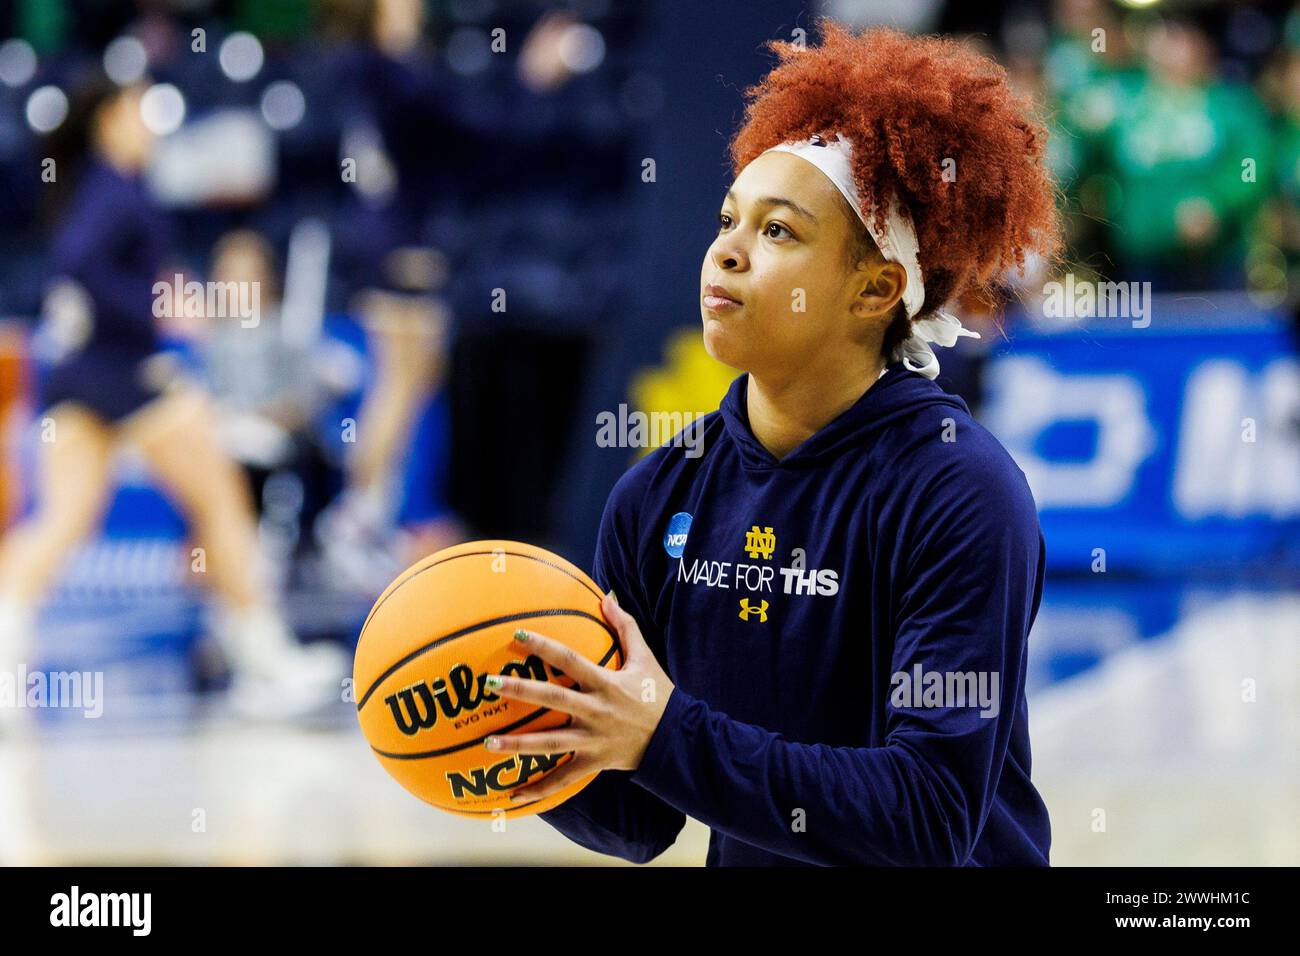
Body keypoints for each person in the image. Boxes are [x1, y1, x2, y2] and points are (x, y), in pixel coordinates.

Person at [480, 22, 1063, 865]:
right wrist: (516, 741)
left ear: (875, 290)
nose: (726, 250)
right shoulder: (658, 495)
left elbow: (930, 818)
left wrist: (665, 734)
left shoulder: (960, 492)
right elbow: (640, 819)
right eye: (728, 219)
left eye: (778, 231)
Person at [0, 75, 345, 729]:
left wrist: (156, 294)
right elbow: (77, 265)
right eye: (136, 109)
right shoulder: (114, 187)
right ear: (107, 120)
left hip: (80, 379)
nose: (150, 122)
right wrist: (164, 309)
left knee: (63, 522)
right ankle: (264, 662)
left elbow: (83, 273)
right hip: (127, 375)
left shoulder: (101, 187)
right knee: (221, 501)